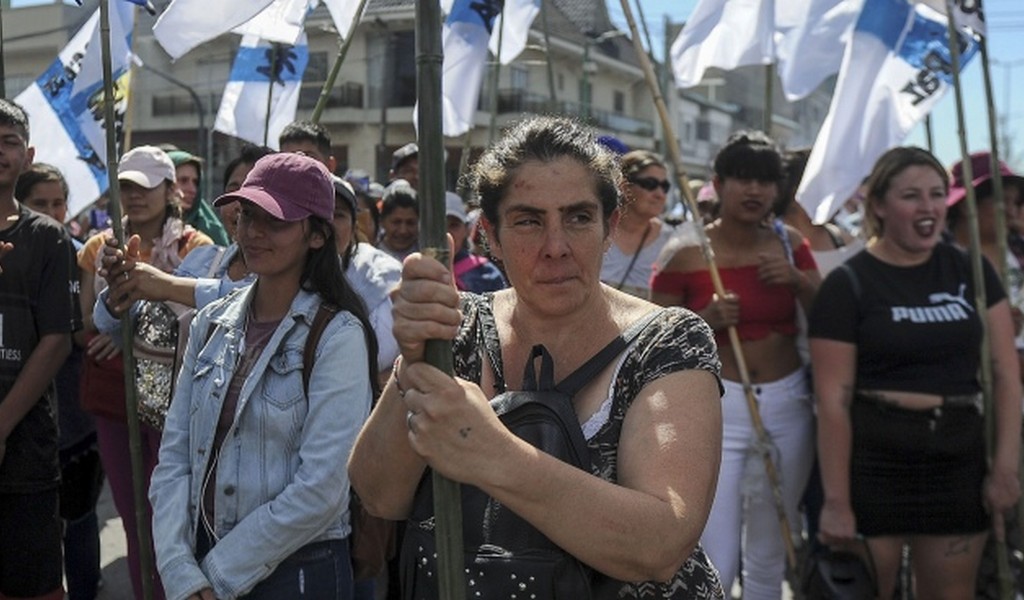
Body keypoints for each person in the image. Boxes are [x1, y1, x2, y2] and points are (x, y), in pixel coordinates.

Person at [349, 116, 725, 599]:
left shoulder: (668, 342)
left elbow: (659, 544)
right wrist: (416, 359)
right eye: (528, 221)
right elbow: (379, 495)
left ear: (609, 225)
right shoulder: (456, 332)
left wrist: (491, 451)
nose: (556, 247)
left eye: (578, 217)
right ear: (490, 235)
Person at [149, 152, 377, 600]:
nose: (252, 233)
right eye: (246, 216)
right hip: (201, 562)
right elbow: (175, 455)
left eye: (274, 221)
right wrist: (178, 566)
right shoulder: (209, 323)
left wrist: (217, 572)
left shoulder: (338, 336)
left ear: (315, 235)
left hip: (299, 571)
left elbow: (322, 490)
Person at [810, 146, 1022, 599]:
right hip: (873, 461)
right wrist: (836, 501)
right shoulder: (847, 284)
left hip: (957, 456)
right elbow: (832, 401)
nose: (928, 207)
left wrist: (1005, 467)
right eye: (911, 196)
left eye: (936, 195)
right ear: (879, 206)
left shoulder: (974, 272)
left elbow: (1006, 374)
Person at [650, 130, 820, 598]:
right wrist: (705, 320)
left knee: (772, 544)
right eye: (743, 179)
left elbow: (830, 315)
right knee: (712, 548)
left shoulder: (791, 246)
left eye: (766, 180)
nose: (755, 191)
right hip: (715, 406)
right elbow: (652, 335)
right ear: (718, 184)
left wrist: (798, 282)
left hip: (788, 402)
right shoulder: (686, 253)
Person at [77, 145, 213, 600]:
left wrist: (134, 318)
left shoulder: (198, 247)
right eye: (127, 187)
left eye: (145, 187)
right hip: (115, 395)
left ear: (170, 190)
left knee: (171, 517)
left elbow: (199, 317)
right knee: (135, 518)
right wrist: (114, 320)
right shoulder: (98, 247)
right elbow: (89, 325)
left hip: (177, 399)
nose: (135, 196)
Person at [0, 99, 78, 600]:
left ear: (26, 156)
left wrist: (1, 425)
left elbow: (56, 340)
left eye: (8, 143)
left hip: (24, 452)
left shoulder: (49, 239)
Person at [16, 163, 103, 600]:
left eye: (58, 203)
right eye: (39, 204)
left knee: (80, 523)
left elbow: (78, 334)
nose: (51, 212)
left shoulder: (83, 256)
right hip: (22, 423)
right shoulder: (11, 253)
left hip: (75, 421)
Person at [599, 150, 675, 298]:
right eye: (650, 184)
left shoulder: (672, 243)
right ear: (624, 187)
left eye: (664, 186)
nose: (660, 194)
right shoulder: (595, 231)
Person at [445, 191, 506, 293]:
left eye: (454, 225)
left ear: (466, 229)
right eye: (439, 226)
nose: (447, 233)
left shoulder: (486, 273)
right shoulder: (414, 269)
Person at [168, 150, 231, 246]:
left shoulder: (212, 233)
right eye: (183, 180)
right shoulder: (146, 224)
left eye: (196, 183)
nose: (192, 189)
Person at [376, 180, 419, 262]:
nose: (403, 231)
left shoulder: (426, 255)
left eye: (410, 223)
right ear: (382, 222)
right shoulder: (370, 255)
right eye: (396, 222)